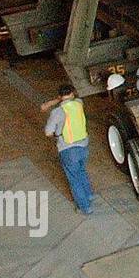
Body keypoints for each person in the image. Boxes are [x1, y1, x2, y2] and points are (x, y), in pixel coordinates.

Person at [42, 84, 95, 214]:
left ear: (60, 96)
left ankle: (85, 207)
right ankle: (89, 195)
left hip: (68, 149)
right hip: (83, 145)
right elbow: (71, 99)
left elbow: (48, 133)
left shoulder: (57, 112)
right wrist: (62, 98)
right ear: (72, 93)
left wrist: (51, 103)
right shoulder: (79, 103)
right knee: (81, 171)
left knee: (74, 179)